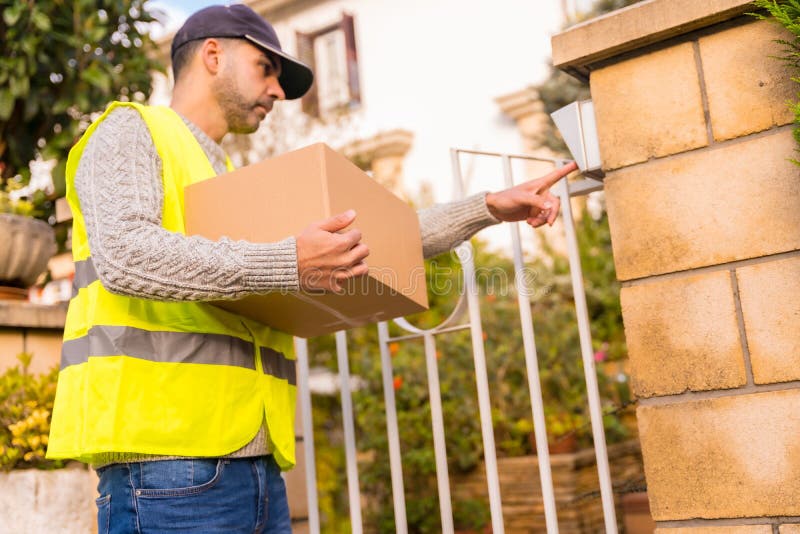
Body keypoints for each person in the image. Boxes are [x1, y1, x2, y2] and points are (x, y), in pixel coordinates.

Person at [46, 4, 577, 533]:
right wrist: (288, 259)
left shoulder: (227, 179)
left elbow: (371, 238)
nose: (278, 92)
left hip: (255, 469)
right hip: (165, 472)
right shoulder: (130, 130)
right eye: (266, 68)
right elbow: (127, 255)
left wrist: (485, 207)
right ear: (213, 55)